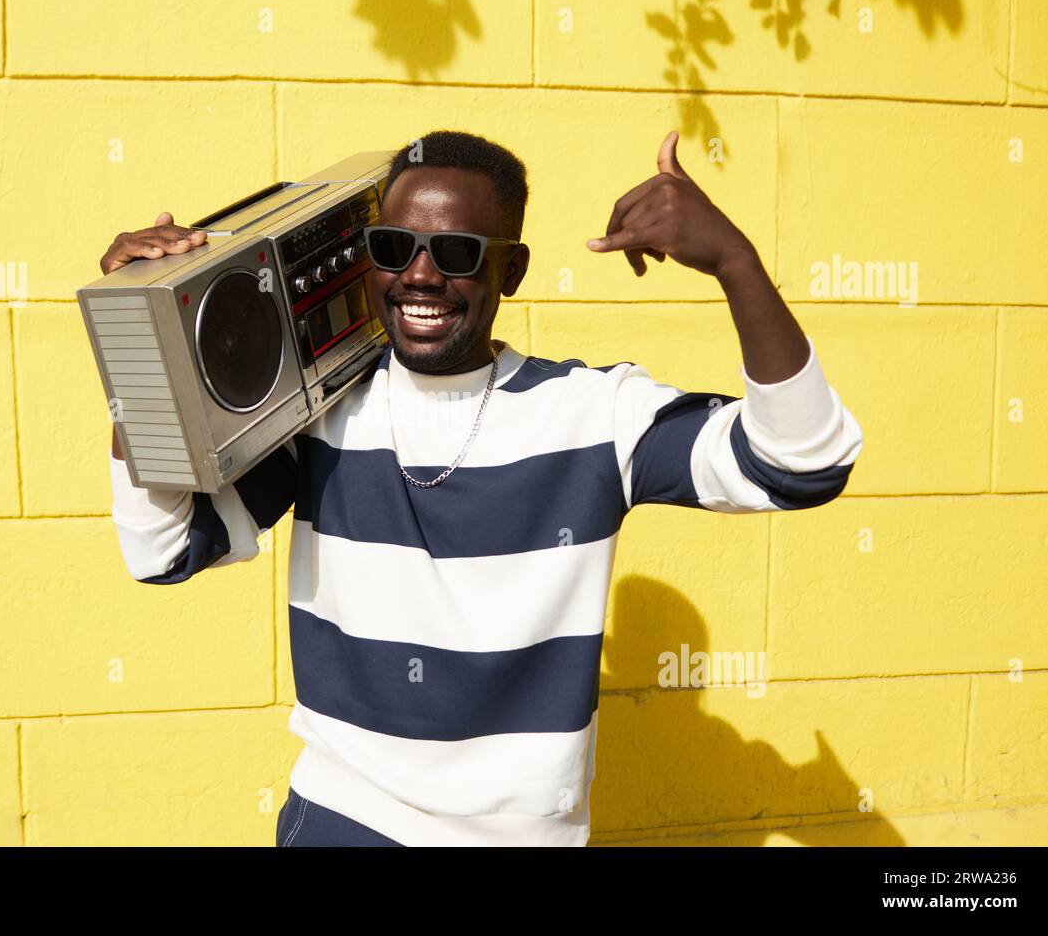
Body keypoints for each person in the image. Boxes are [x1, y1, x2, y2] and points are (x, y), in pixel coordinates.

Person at [98, 129, 863, 846]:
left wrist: (735, 261)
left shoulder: (593, 416)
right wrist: (137, 329)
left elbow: (801, 463)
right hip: (343, 818)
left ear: (512, 269)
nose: (420, 275)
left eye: (457, 252)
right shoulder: (322, 414)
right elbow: (163, 549)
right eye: (394, 248)